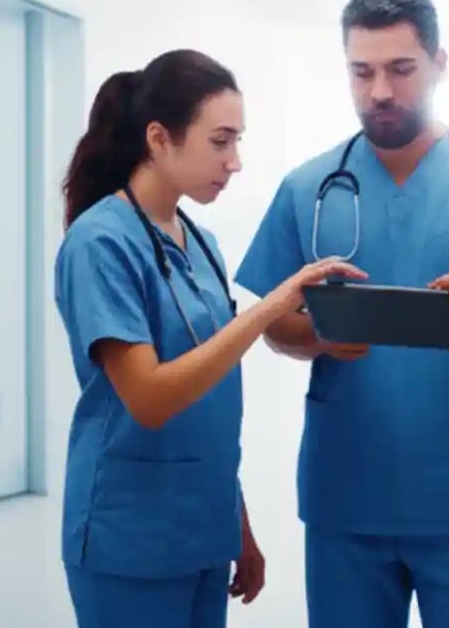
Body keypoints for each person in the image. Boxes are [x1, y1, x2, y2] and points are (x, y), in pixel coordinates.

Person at [233, 0, 449, 628]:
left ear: (440, 66)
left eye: (401, 69)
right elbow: (276, 328)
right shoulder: (308, 188)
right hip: (347, 494)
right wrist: (320, 338)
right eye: (362, 71)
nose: (380, 89)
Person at [53, 49, 366, 628]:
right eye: (220, 141)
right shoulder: (100, 244)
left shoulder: (199, 243)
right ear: (159, 139)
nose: (235, 162)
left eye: (237, 141)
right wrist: (271, 305)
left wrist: (235, 525)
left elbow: (209, 404)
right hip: (131, 536)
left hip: (201, 530)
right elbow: (150, 398)